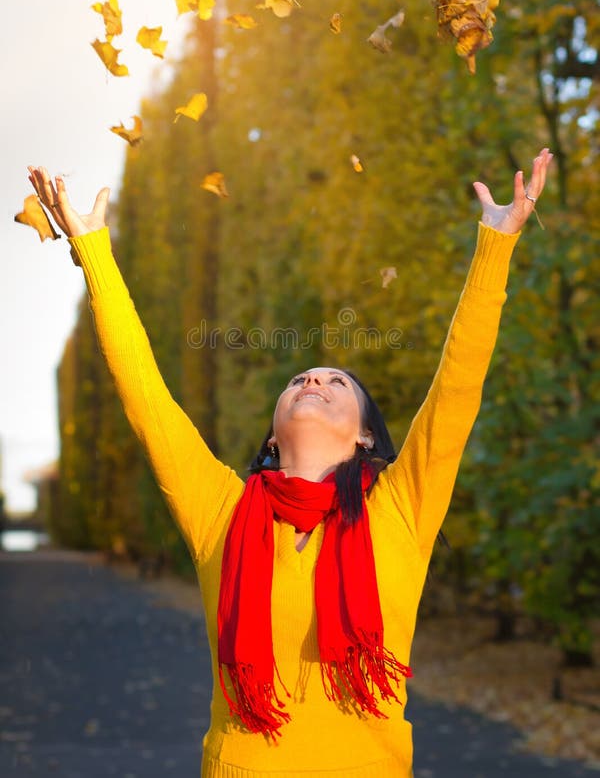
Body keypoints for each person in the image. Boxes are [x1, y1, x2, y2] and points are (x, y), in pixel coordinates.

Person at [27, 149, 551, 778]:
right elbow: (146, 398)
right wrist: (95, 255)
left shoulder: (400, 509)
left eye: (336, 381)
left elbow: (458, 389)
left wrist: (495, 247)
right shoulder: (220, 510)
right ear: (271, 439)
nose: (313, 381)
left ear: (364, 436)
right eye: (301, 377)